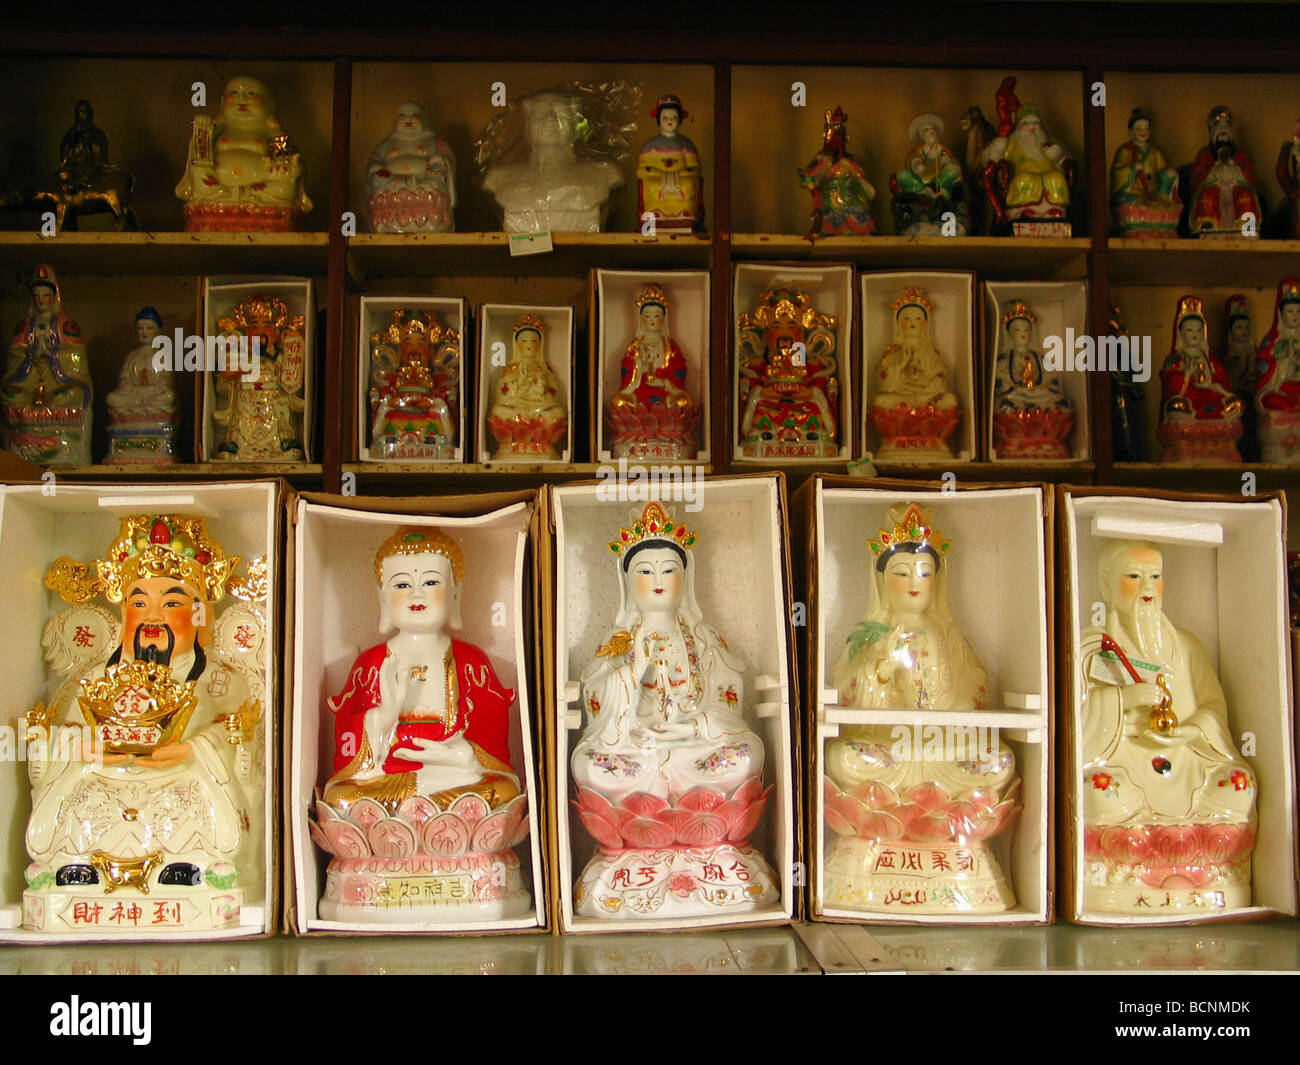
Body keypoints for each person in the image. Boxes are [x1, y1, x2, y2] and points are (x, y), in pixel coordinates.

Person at [26, 515, 260, 928]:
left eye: (172, 603)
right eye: (139, 603)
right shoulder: (92, 677)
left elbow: (241, 736)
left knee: (189, 806)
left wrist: (194, 749)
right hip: (102, 782)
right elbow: (53, 737)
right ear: (122, 613)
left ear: (199, 613)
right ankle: (78, 873)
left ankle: (186, 874)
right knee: (80, 801)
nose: (153, 617)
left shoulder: (221, 679)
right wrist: (82, 750)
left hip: (181, 782)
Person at [570, 501, 778, 918]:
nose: (658, 580)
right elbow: (598, 710)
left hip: (696, 748)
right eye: (645, 571)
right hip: (635, 751)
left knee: (747, 752)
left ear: (687, 577)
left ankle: (709, 846)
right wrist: (628, 681)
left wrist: (694, 726)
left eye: (668, 569)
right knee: (588, 764)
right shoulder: (618, 642)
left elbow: (726, 700)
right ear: (627, 581)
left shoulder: (705, 640)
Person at [823, 503, 1017, 913]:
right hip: (888, 756)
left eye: (925, 572)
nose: (915, 583)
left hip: (940, 752)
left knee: (999, 761)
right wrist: (880, 670)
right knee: (845, 760)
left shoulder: (949, 636)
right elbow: (849, 693)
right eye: (902, 573)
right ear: (881, 580)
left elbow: (974, 684)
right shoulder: (869, 636)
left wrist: (953, 713)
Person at [1079, 539, 1255, 911]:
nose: (1147, 587)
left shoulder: (1187, 646)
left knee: (1239, 784)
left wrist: (1192, 731)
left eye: (1155, 576)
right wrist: (1123, 701)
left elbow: (1212, 705)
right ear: (1106, 583)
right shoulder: (1093, 649)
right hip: (1122, 757)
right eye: (1134, 576)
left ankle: (1205, 868)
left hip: (1188, 755)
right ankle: (1127, 874)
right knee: (1098, 789)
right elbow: (1076, 719)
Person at [324, 527, 520, 814]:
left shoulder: (470, 661)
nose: (417, 593)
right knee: (340, 800)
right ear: (382, 598)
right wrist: (383, 716)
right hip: (385, 777)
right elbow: (347, 744)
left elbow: (493, 735)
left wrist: (465, 756)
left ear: (455, 594)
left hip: (454, 776)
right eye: (402, 585)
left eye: (430, 582)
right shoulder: (371, 664)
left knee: (502, 792)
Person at [175, 75, 312, 228]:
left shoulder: (275, 134)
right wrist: (202, 131)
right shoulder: (216, 131)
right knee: (198, 170)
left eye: (251, 93)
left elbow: (288, 161)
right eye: (234, 93)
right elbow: (198, 154)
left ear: (269, 105)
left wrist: (286, 169)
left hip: (260, 192)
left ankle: (246, 199)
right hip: (216, 191)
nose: (242, 98)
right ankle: (222, 197)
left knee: (284, 187)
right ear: (222, 103)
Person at [483, 91, 622, 233]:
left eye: (560, 112)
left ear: (575, 125)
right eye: (540, 112)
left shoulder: (604, 173)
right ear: (527, 126)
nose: (550, 119)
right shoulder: (498, 177)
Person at [1, 264, 92, 464]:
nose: (41, 300)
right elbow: (13, 365)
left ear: (55, 297)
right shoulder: (23, 327)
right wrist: (31, 357)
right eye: (37, 295)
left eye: (46, 295)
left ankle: (63, 448)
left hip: (58, 386)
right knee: (8, 394)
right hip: (28, 386)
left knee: (71, 394)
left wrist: (53, 358)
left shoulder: (67, 327)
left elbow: (78, 371)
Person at [870, 286, 960, 459]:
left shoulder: (931, 352)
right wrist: (901, 365)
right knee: (882, 401)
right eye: (907, 318)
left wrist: (926, 382)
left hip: (927, 398)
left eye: (918, 318)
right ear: (898, 323)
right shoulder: (893, 351)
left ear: (925, 324)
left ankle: (929, 435)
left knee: (949, 401)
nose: (912, 322)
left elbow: (940, 380)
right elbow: (885, 382)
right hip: (900, 399)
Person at [367, 307, 459, 460]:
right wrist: (391, 402)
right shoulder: (393, 381)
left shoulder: (436, 382)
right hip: (396, 426)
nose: (414, 350)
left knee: (441, 411)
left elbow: (443, 405)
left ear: (430, 351)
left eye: (421, 343)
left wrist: (432, 402)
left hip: (428, 422)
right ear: (399, 350)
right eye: (407, 343)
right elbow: (384, 402)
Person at [365, 101, 456, 233]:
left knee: (439, 168)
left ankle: (420, 189)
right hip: (392, 189)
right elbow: (374, 162)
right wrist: (377, 168)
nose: (408, 119)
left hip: (424, 187)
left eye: (414, 115)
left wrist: (440, 161)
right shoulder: (386, 143)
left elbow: (448, 162)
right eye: (403, 115)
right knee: (377, 178)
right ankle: (405, 185)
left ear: (423, 120)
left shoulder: (433, 142)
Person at [487, 314, 566, 459]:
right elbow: (503, 391)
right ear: (517, 344)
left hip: (539, 406)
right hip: (516, 406)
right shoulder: (511, 368)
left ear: (540, 344)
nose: (529, 344)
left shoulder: (544, 368)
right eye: (524, 340)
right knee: (499, 412)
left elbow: (553, 391)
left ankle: (538, 440)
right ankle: (516, 440)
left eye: (533, 341)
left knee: (556, 414)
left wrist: (541, 385)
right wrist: (518, 384)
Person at [981, 103, 1072, 220]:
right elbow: (987, 158)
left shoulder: (1048, 142)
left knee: (1057, 178)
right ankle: (1023, 211)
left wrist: (1056, 153)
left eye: (1035, 123)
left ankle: (1054, 210)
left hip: (1047, 172)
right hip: (1023, 174)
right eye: (1026, 123)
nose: (1031, 127)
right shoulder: (1010, 144)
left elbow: (1063, 158)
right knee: (1024, 180)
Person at [1188, 106, 1261, 236]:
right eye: (1217, 125)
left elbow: (1252, 178)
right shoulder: (1204, 155)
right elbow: (1196, 180)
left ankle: (1248, 227)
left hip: (1235, 192)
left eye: (1226, 126)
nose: (1223, 130)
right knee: (1208, 195)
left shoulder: (1240, 155)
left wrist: (1236, 172)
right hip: (1215, 194)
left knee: (1246, 195)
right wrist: (1213, 174)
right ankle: (1208, 224)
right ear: (1210, 130)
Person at [636, 93, 703, 231]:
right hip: (657, 179)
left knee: (689, 183)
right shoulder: (651, 145)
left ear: (679, 120)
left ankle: (684, 213)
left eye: (673, 117)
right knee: (652, 184)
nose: (669, 121)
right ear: (659, 120)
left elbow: (695, 169)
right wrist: (661, 175)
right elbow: (642, 169)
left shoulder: (686, 145)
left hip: (681, 179)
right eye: (665, 117)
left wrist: (677, 175)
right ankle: (654, 214)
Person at [1109, 108, 1181, 235]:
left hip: (1154, 195)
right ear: (1130, 131)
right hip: (1135, 194)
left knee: (1170, 205)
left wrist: (1169, 174)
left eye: (1146, 128)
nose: (1143, 132)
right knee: (1125, 201)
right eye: (1139, 129)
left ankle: (1159, 219)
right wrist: (1132, 168)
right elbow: (1116, 174)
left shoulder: (1155, 153)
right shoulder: (1125, 151)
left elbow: (1162, 173)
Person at [892, 112, 966, 235]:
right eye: (927, 130)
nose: (931, 131)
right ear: (922, 135)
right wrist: (916, 165)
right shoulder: (919, 150)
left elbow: (953, 165)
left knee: (954, 169)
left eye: (933, 129)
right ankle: (923, 190)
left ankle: (934, 188)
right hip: (921, 185)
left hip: (939, 185)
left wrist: (946, 161)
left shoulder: (941, 149)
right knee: (902, 175)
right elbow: (911, 161)